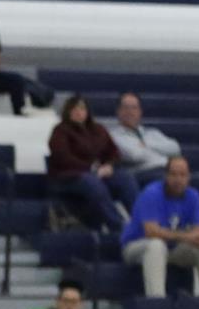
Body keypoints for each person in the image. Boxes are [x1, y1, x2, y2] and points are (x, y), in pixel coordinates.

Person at [120, 156, 199, 299]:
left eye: (182, 175)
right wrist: (187, 236)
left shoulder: (193, 196)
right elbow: (151, 231)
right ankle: (156, 302)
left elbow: (198, 230)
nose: (178, 179)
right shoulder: (152, 193)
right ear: (166, 176)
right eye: (173, 174)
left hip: (170, 248)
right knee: (156, 245)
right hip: (135, 247)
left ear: (188, 177)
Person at [46, 95, 136, 232]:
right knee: (92, 182)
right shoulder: (60, 131)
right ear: (67, 111)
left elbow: (114, 153)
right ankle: (118, 226)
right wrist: (90, 168)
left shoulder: (98, 130)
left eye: (82, 108)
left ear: (87, 111)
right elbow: (63, 158)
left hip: (96, 173)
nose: (78, 112)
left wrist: (109, 165)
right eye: (74, 108)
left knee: (125, 179)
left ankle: (142, 222)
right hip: (68, 177)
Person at [103, 92, 181, 183]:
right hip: (142, 174)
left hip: (167, 170)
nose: (130, 112)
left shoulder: (152, 133)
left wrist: (146, 145)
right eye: (126, 108)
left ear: (140, 112)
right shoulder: (113, 136)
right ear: (118, 111)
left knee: (196, 180)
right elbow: (135, 155)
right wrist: (162, 152)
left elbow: (176, 148)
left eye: (134, 108)